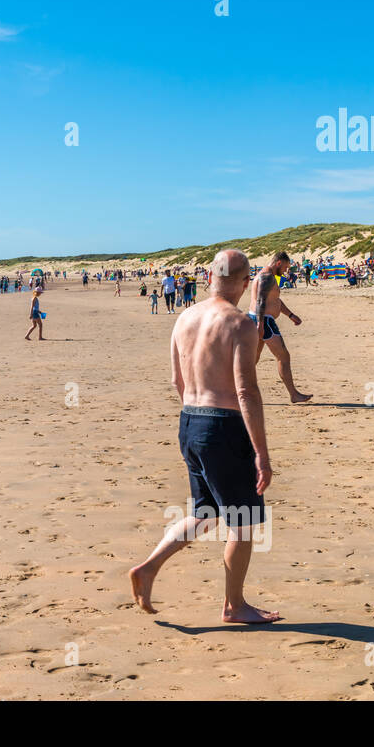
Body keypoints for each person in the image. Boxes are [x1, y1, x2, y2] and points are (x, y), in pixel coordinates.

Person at [128, 248, 280, 624]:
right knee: (243, 519)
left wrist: (198, 421)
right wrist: (261, 452)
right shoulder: (242, 323)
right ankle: (235, 606)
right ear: (246, 283)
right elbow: (246, 390)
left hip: (190, 421)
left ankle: (150, 566)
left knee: (207, 512)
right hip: (223, 425)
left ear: (209, 277)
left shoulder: (184, 317)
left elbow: (177, 381)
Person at [249, 252, 312, 403]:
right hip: (264, 320)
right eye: (284, 267)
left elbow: (275, 299)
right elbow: (260, 301)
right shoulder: (266, 277)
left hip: (258, 319)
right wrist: (261, 324)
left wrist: (290, 315)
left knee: (252, 359)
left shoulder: (268, 276)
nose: (285, 271)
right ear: (278, 263)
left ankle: (231, 392)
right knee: (283, 357)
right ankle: (294, 395)